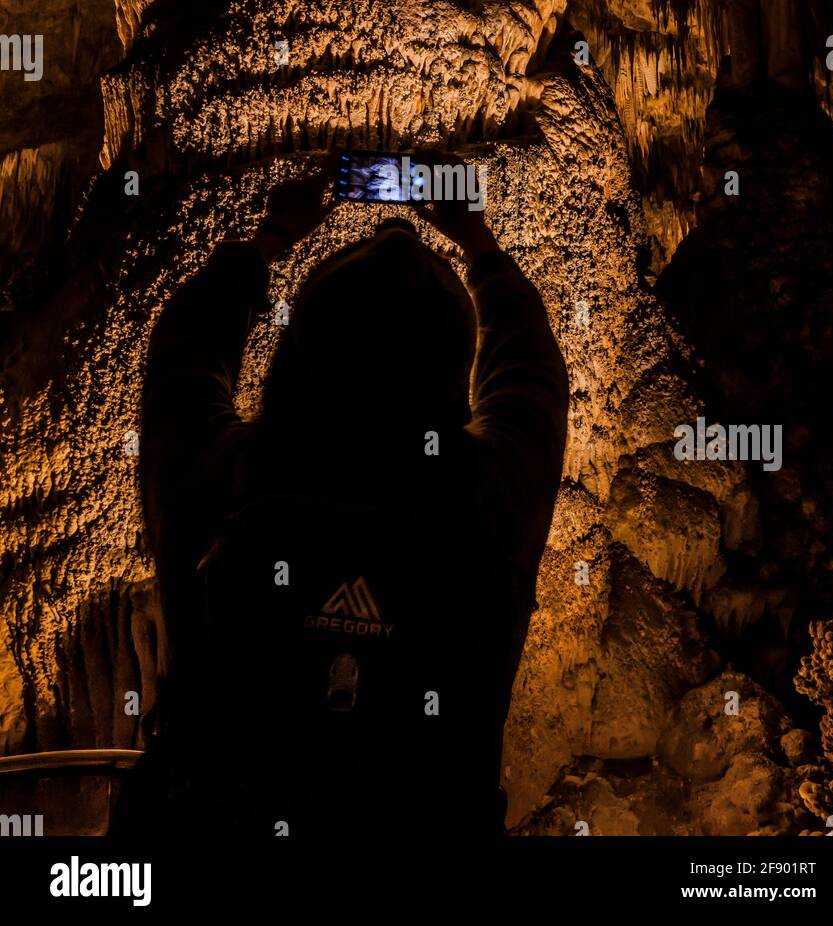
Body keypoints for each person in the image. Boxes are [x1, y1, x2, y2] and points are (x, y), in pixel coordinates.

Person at [114, 158, 569, 841]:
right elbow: (533, 382)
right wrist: (479, 243)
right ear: (452, 372)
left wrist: (272, 235)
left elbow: (184, 353)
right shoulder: (482, 496)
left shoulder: (231, 478)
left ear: (298, 355)